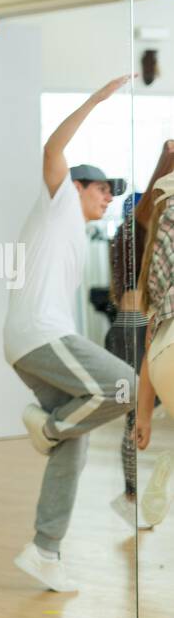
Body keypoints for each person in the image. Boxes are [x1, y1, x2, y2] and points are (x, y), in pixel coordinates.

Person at [3, 74, 135, 592]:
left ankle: (44, 550)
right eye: (101, 187)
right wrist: (97, 100)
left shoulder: (77, 235)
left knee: (75, 448)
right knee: (123, 384)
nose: (107, 196)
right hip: (39, 335)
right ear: (75, 186)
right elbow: (53, 147)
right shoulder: (57, 203)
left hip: (29, 340)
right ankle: (51, 426)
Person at [106, 140, 174, 526]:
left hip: (128, 326)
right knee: (137, 417)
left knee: (137, 417)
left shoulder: (127, 237)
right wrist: (166, 157)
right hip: (138, 329)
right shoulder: (142, 229)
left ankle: (132, 493)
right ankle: (133, 494)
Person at [133, 161, 174, 527]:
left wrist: (144, 414)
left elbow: (153, 344)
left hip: (163, 361)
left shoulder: (154, 270)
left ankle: (169, 462)